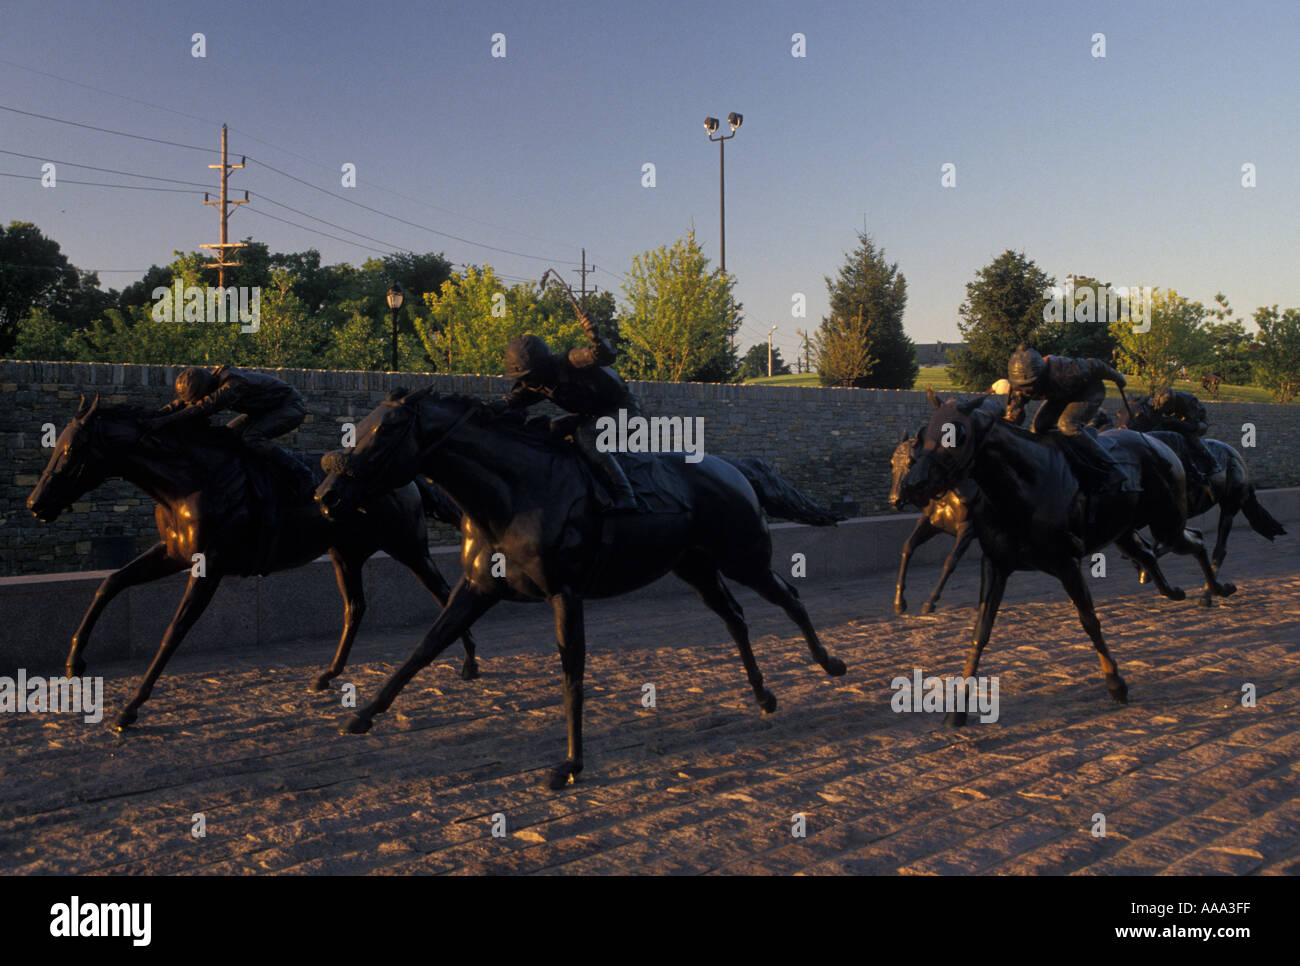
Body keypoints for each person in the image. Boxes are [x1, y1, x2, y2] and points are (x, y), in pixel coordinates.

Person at [492, 314, 640, 512]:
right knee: (546, 430)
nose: (527, 382)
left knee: (586, 436)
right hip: (592, 417)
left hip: (625, 413)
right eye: (523, 378)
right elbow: (513, 401)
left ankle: (625, 495)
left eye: (529, 376)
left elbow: (602, 356)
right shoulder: (537, 383)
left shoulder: (570, 361)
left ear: (542, 367)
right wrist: (485, 408)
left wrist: (594, 335)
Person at [147, 365, 313, 494]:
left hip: (289, 407)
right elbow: (182, 403)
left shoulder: (234, 384)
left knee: (252, 438)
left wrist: (162, 422)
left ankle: (301, 471)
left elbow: (203, 407)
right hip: (264, 410)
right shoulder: (207, 379)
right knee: (227, 435)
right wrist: (153, 416)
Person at [1005, 344, 1128, 493]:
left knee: (1068, 425)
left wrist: (1118, 377)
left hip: (1089, 390)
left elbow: (1097, 366)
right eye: (1023, 387)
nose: (1027, 391)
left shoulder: (1065, 370)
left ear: (1042, 375)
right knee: (1038, 427)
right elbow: (1014, 415)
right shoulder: (1018, 386)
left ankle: (1110, 465)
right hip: (1061, 394)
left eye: (1031, 385)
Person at [1151, 386, 1217, 479]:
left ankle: (1212, 461)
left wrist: (1173, 421)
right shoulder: (1158, 401)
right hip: (1177, 420)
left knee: (1189, 436)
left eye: (1167, 409)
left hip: (1197, 422)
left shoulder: (1189, 401)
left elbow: (1192, 425)